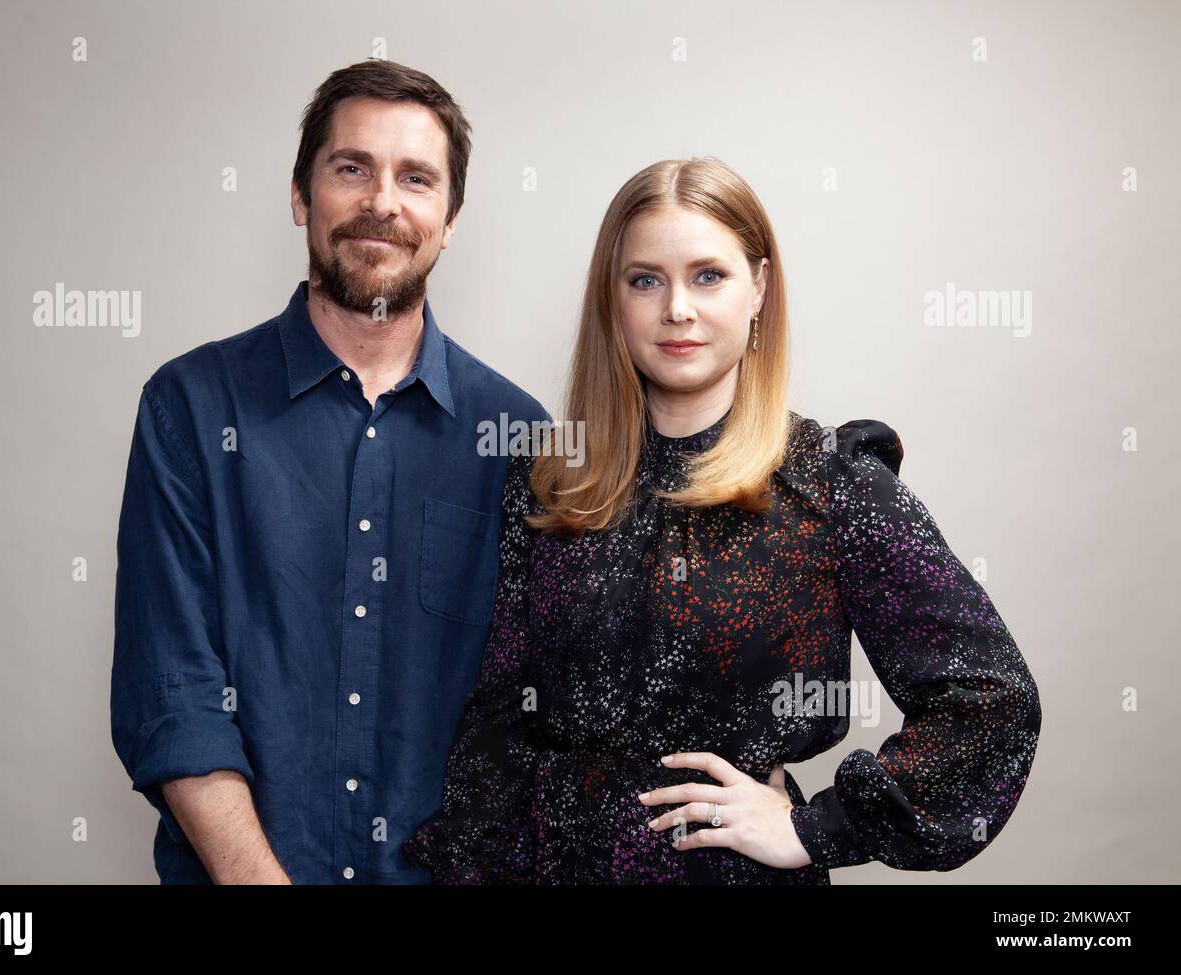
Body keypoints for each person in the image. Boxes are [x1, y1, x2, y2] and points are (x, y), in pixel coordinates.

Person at [402, 156, 1042, 884]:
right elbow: (497, 722)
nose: (678, 308)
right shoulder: (552, 480)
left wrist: (817, 827)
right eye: (645, 279)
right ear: (612, 298)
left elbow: (992, 699)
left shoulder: (831, 484)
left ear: (759, 287)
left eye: (709, 275)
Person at [109, 59, 550, 884]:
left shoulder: (518, 436)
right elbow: (174, 692)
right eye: (352, 168)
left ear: (449, 218)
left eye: (415, 178)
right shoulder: (191, 409)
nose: (382, 201)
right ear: (300, 194)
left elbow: (533, 713)